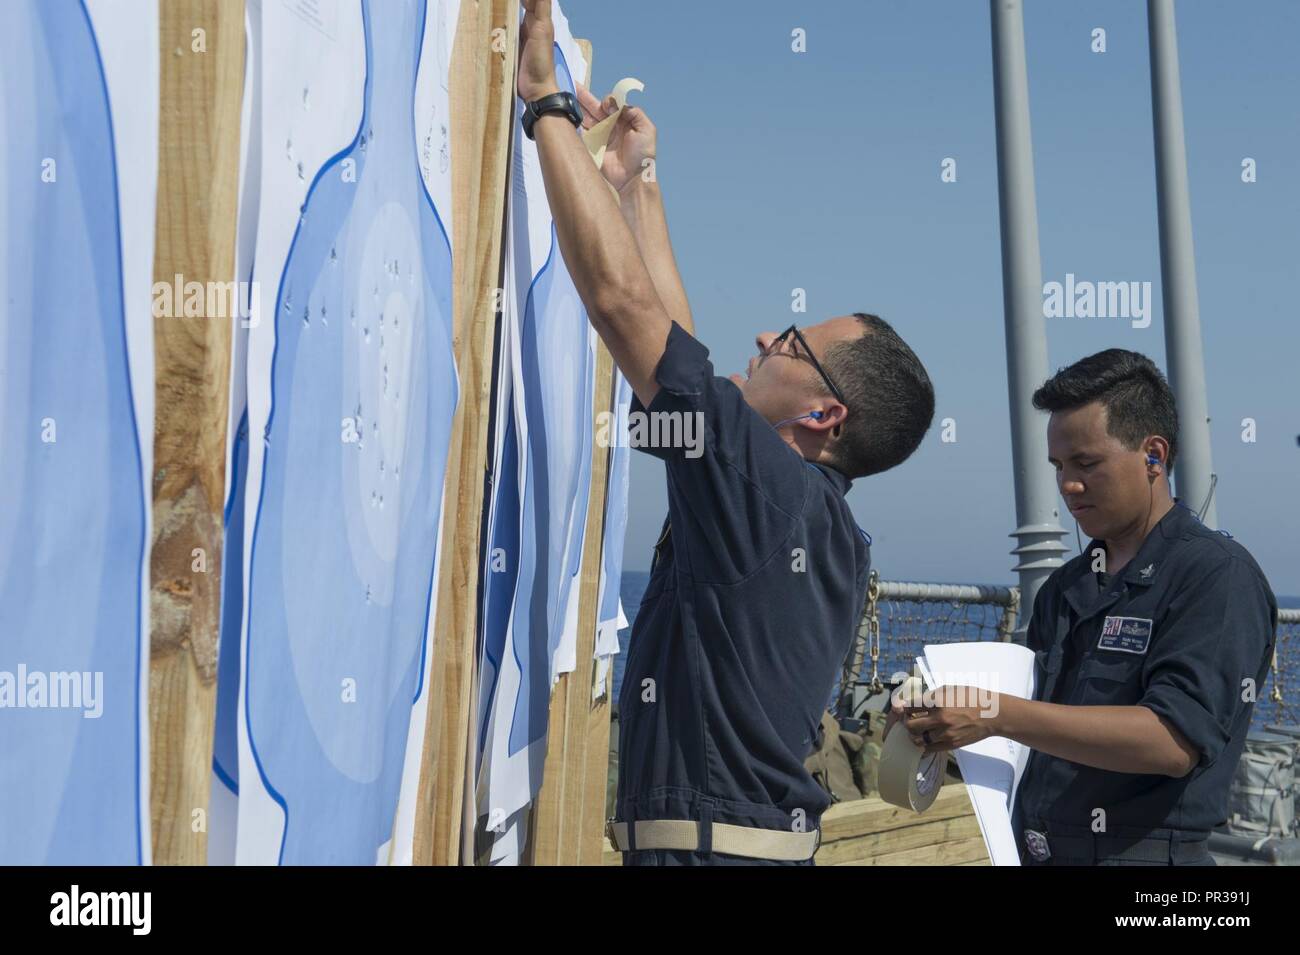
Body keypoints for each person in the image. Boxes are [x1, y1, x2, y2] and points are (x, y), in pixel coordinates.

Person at [517, 0, 935, 864]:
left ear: (823, 415)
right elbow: (679, 351)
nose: (762, 340)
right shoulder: (797, 507)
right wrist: (637, 184)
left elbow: (624, 310)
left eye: (787, 344)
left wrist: (542, 100)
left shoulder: (770, 492)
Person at [890, 350, 1277, 865]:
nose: (1068, 485)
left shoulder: (1216, 577)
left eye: (1087, 463)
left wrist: (994, 713)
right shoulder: (1065, 589)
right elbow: (1023, 733)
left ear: (1154, 455)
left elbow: (1170, 742)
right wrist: (937, 718)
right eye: (1059, 466)